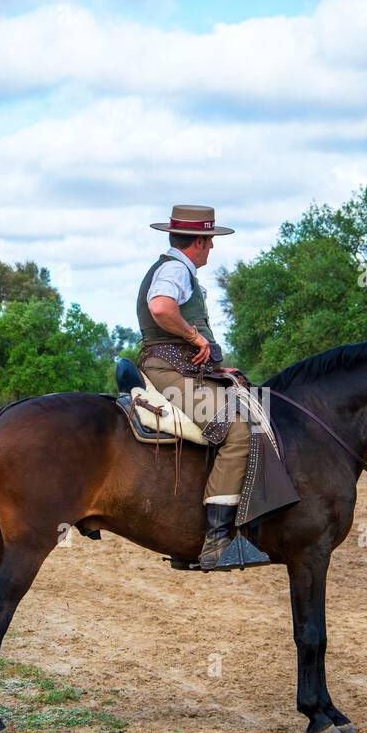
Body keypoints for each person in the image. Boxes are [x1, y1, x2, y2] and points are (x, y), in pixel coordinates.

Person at [135, 204, 271, 570]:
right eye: (210, 241)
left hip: (181, 368)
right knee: (239, 429)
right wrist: (196, 336)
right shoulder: (176, 269)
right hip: (168, 369)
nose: (212, 248)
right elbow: (161, 307)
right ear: (199, 240)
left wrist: (214, 365)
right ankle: (216, 543)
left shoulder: (179, 269)